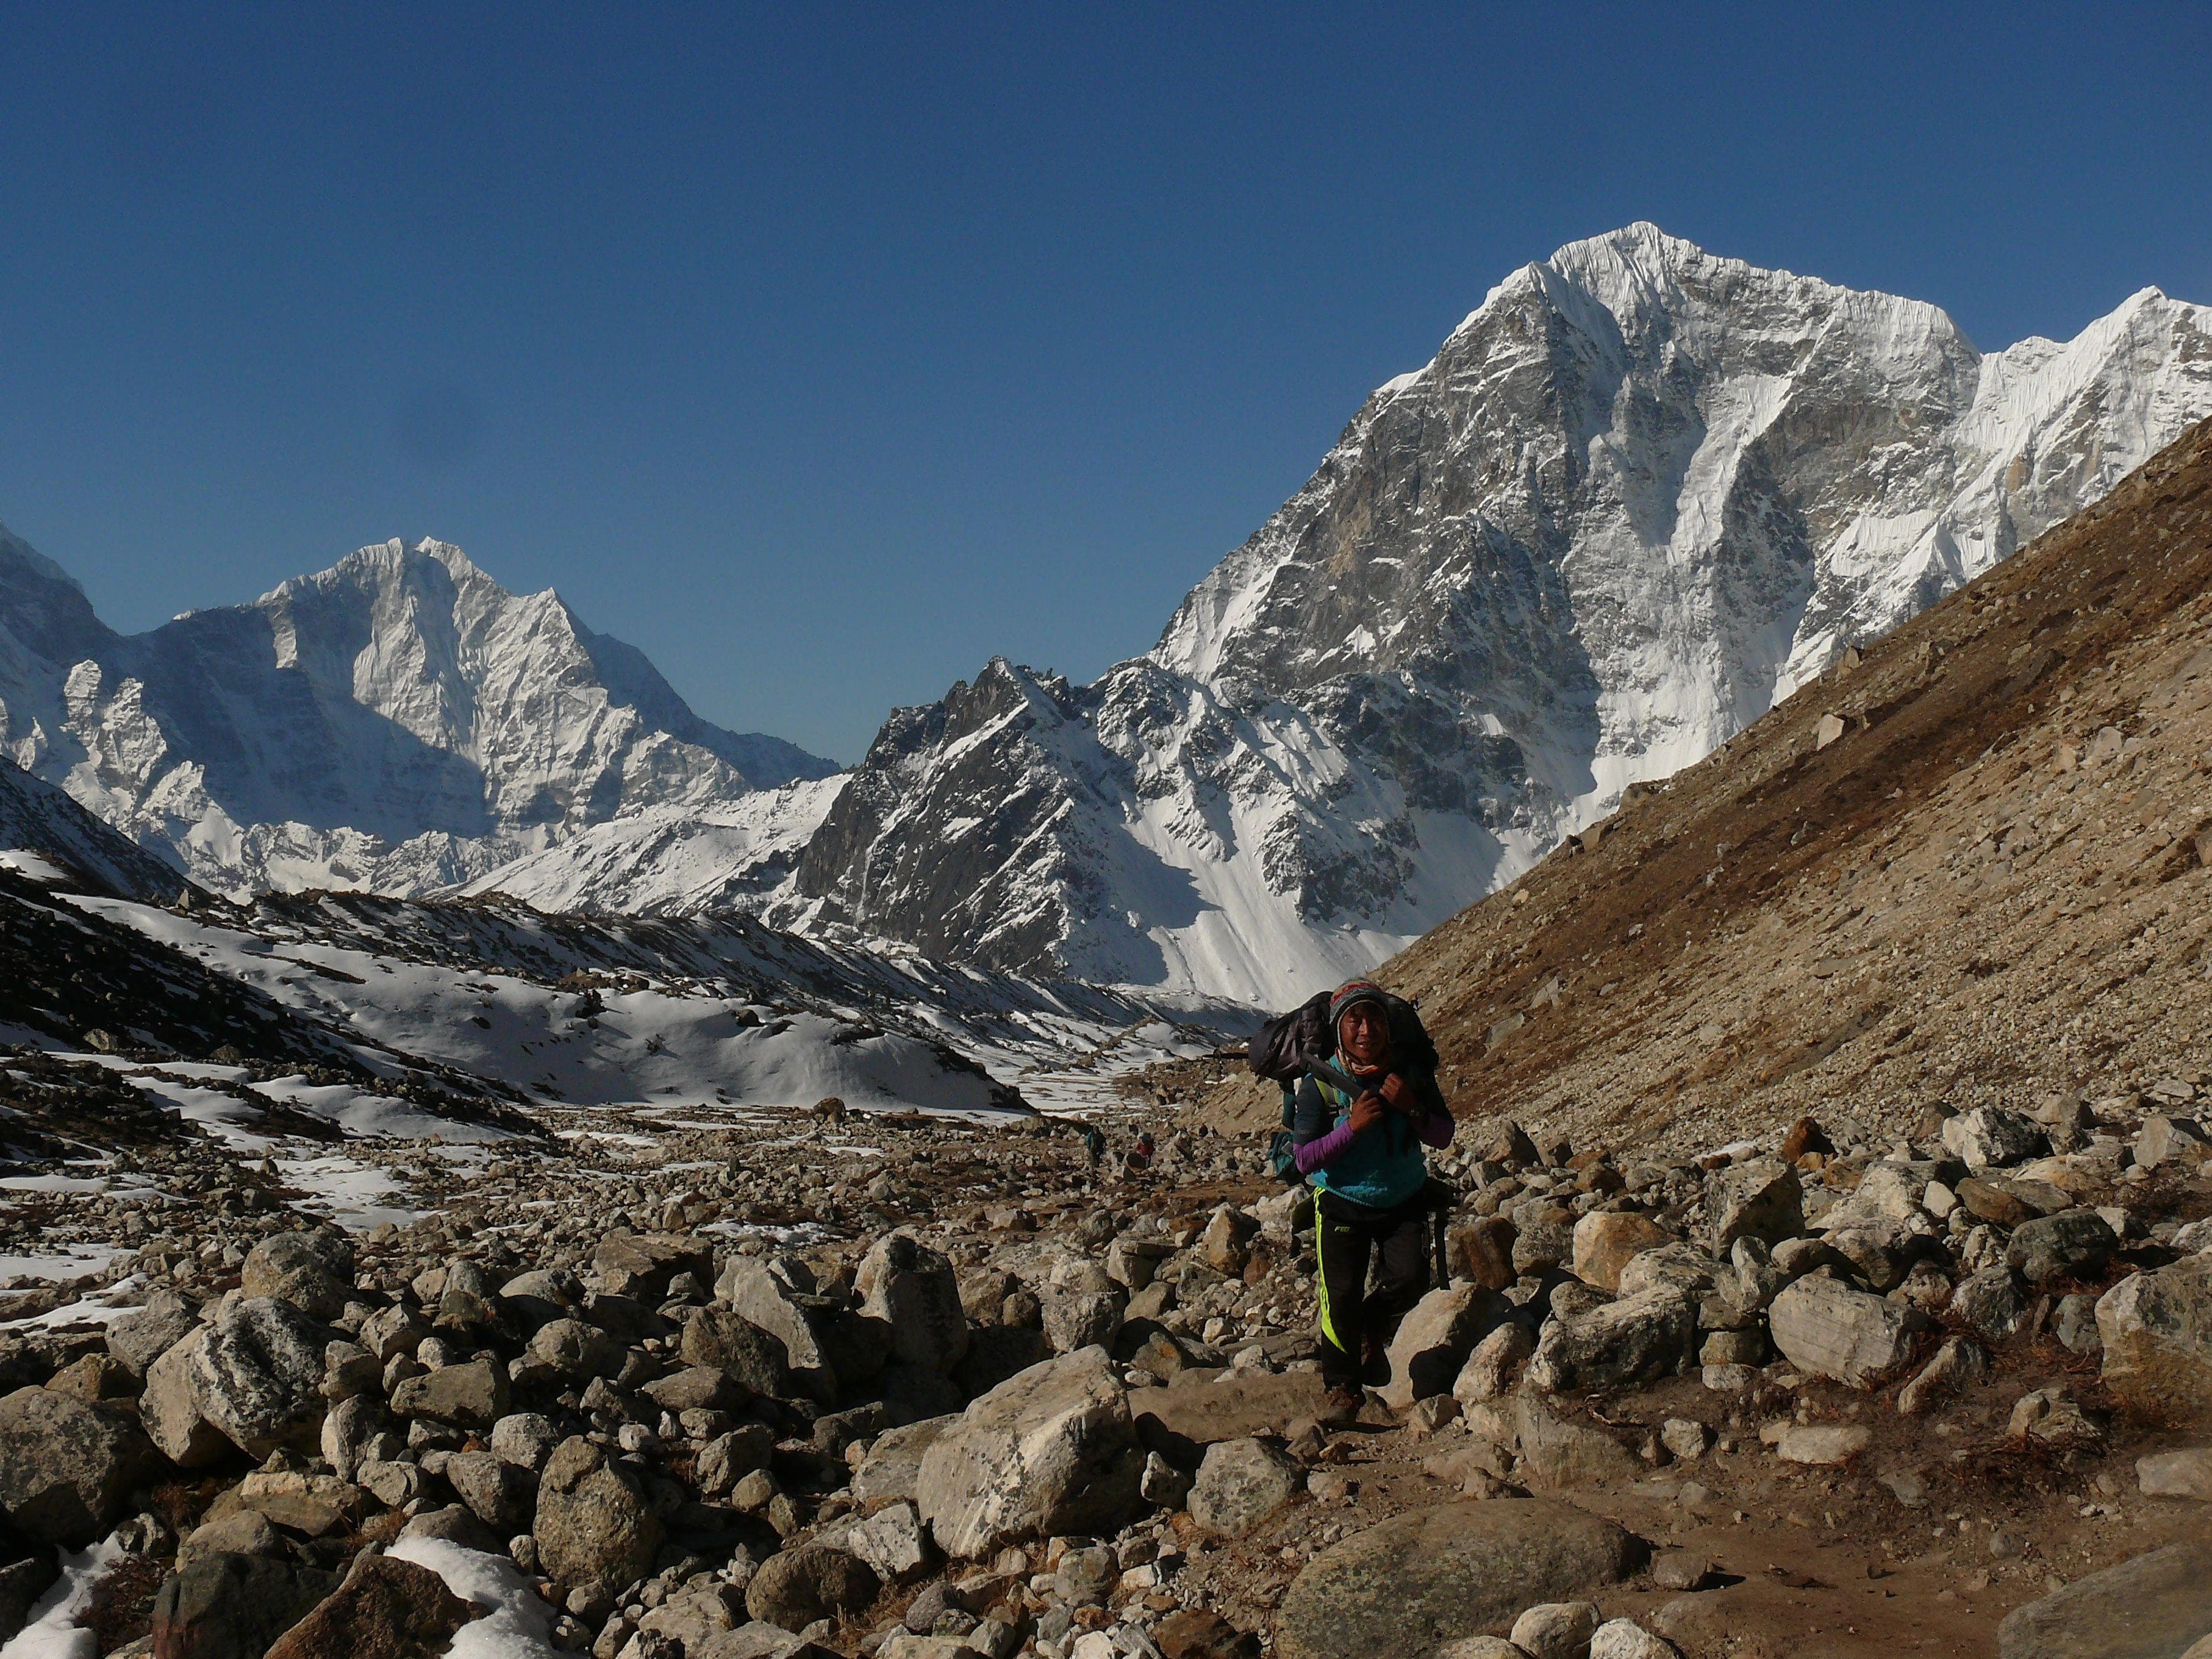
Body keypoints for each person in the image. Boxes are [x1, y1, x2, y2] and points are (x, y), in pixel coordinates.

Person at [1289, 978, 1455, 1424]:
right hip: (1341, 1201)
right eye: (1355, 1021)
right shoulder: (1319, 1085)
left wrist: (1412, 1108)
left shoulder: (1410, 1074)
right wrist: (1351, 1127)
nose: (1366, 1031)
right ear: (1339, 1029)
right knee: (1339, 1295)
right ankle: (1342, 1390)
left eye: (1375, 1018)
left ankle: (1368, 1327)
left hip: (1402, 1196)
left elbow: (1442, 1134)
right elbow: (1304, 1159)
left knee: (1409, 1280)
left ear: (1388, 1024)